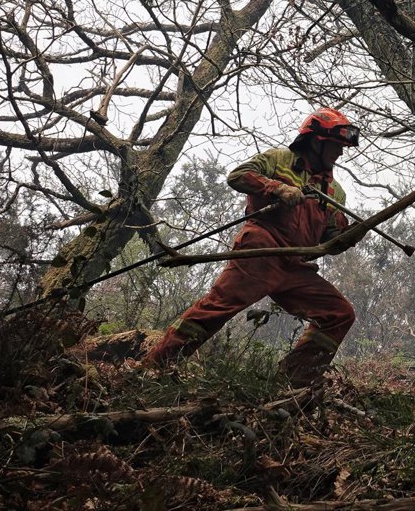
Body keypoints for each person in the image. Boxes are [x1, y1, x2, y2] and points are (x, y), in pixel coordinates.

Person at [144, 108, 362, 391]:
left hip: (296, 266)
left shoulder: (334, 192)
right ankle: (151, 369)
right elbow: (237, 176)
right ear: (315, 141)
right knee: (217, 308)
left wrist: (349, 236)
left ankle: (291, 383)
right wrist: (277, 188)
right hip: (261, 251)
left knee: (339, 314)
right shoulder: (278, 159)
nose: (341, 153)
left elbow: (329, 241)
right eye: (336, 145)